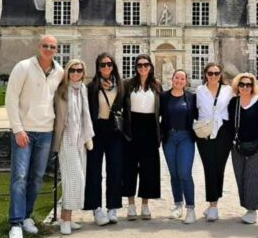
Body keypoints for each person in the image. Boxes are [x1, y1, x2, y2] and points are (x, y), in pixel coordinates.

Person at [5, 34, 64, 238]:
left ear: (57, 50)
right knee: (19, 177)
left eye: (53, 47)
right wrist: (17, 129)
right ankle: (15, 224)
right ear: (39, 47)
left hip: (46, 131)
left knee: (37, 177)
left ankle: (27, 216)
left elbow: (65, 99)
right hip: (25, 132)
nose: (49, 49)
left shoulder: (59, 72)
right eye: (45, 46)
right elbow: (11, 98)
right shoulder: (23, 67)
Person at [53, 59, 95, 235]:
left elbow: (85, 116)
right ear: (67, 71)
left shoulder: (83, 90)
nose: (76, 73)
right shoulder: (61, 90)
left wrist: (87, 137)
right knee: (73, 179)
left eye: (79, 70)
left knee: (79, 179)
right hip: (67, 138)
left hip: (80, 140)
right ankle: (66, 220)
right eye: (73, 70)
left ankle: (67, 217)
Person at [84, 53, 126, 226]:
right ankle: (96, 208)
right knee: (94, 170)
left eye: (109, 64)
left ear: (114, 66)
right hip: (97, 130)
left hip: (115, 131)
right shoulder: (91, 87)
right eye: (103, 65)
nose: (106, 67)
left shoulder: (121, 86)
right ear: (98, 67)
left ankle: (113, 207)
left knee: (115, 170)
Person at [122, 54, 162, 219]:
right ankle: (131, 205)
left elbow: (162, 108)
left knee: (149, 168)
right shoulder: (128, 84)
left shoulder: (156, 85)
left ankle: (145, 205)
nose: (143, 68)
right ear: (136, 67)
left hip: (150, 127)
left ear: (150, 67)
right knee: (130, 167)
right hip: (132, 126)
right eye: (140, 65)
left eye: (146, 65)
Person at [194, 62, 234, 221]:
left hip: (224, 131)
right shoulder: (199, 90)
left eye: (216, 73)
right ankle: (213, 205)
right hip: (205, 131)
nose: (213, 76)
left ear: (220, 75)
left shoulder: (228, 90)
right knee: (209, 167)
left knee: (219, 167)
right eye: (210, 73)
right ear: (205, 74)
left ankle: (214, 202)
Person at [228, 72, 258, 224]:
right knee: (240, 176)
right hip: (237, 144)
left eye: (248, 85)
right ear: (237, 86)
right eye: (242, 84)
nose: (245, 87)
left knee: (253, 176)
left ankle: (252, 210)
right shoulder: (234, 103)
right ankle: (247, 206)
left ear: (253, 86)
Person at [160, 69, 198, 224]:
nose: (179, 81)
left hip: (186, 137)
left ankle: (190, 208)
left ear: (186, 81)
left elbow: (200, 115)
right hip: (169, 138)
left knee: (184, 173)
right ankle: (178, 205)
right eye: (177, 78)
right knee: (174, 174)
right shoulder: (164, 97)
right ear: (172, 78)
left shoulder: (191, 97)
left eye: (182, 78)